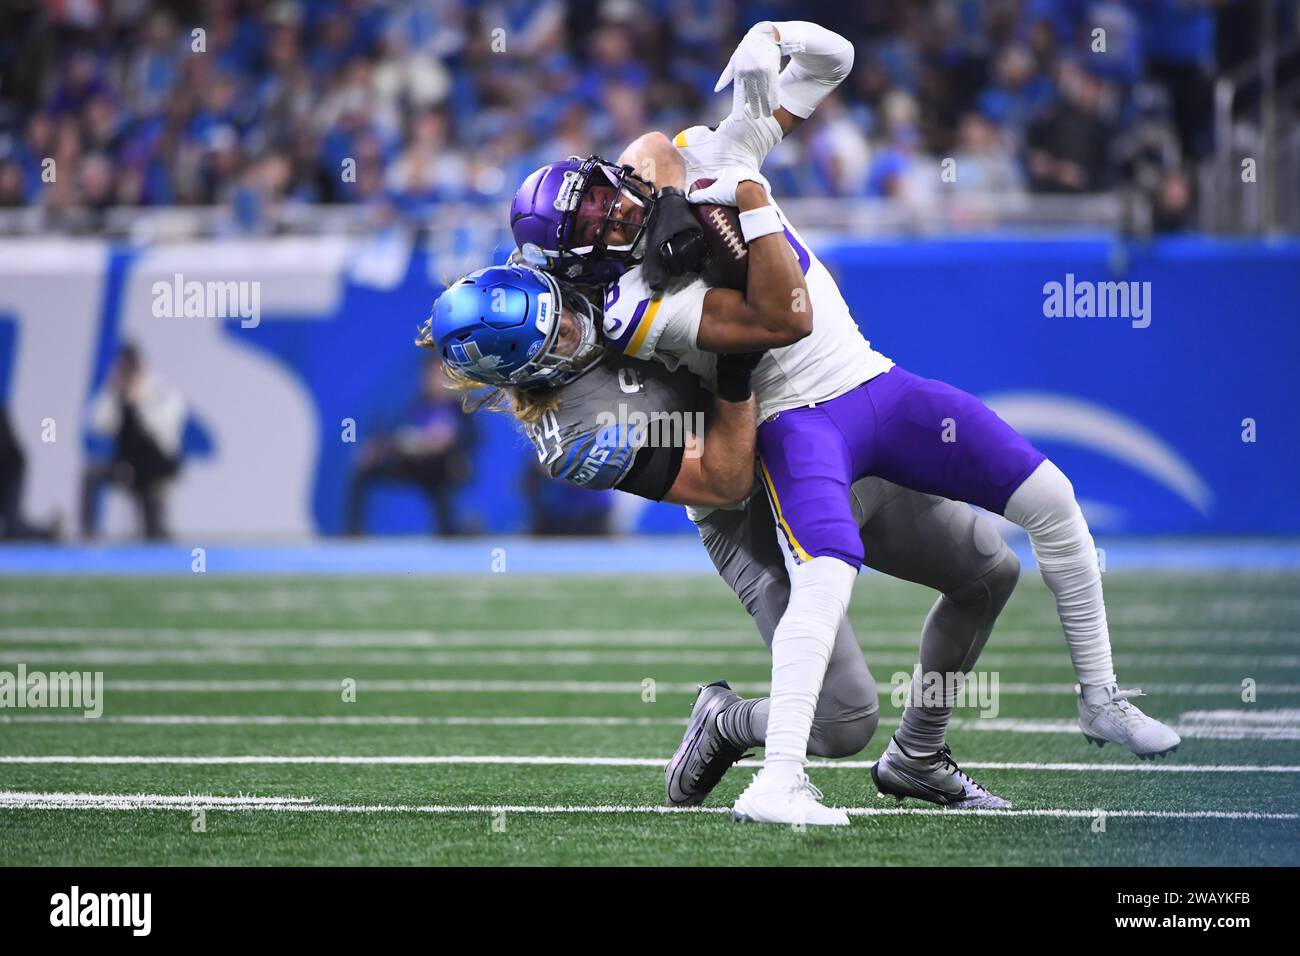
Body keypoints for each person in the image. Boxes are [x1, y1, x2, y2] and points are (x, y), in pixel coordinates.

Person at [509, 19, 1179, 824]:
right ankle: (755, 751)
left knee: (1008, 549)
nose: (614, 213)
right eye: (590, 228)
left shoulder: (683, 160)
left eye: (604, 197)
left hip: (867, 387)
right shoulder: (634, 307)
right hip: (773, 449)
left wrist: (770, 36)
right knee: (843, 708)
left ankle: (973, 739)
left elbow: (823, 67)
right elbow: (782, 320)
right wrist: (746, 192)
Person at [422, 255, 1019, 822]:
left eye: (565, 315)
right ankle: (728, 722)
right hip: (747, 511)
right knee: (843, 721)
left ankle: (918, 753)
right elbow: (721, 478)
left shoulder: (577, 261)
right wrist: (736, 365)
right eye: (555, 343)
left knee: (988, 572)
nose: (576, 330)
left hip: (829, 438)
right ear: (525, 374)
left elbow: (657, 151)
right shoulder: (574, 436)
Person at [347, 355, 475, 536]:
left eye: (442, 376)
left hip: (442, 467)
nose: (436, 381)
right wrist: (378, 447)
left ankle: (452, 531)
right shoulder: (417, 404)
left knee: (447, 518)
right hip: (411, 464)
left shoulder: (461, 408)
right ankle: (353, 531)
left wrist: (451, 439)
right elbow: (394, 431)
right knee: (363, 467)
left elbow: (473, 437)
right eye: (431, 375)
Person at [81, 343, 184, 540]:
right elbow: (97, 423)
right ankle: (88, 535)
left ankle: (158, 536)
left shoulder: (158, 389)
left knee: (152, 530)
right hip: (127, 465)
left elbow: (167, 430)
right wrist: (113, 393)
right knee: (91, 476)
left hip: (155, 465)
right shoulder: (115, 392)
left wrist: (141, 398)